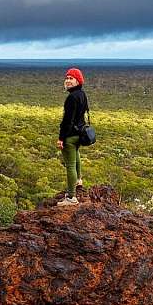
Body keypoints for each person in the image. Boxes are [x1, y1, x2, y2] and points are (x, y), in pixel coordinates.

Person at [56, 67, 88, 206]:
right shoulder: (82, 94)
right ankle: (79, 180)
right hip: (80, 134)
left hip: (70, 136)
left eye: (71, 78)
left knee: (70, 165)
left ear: (78, 81)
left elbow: (67, 121)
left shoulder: (71, 98)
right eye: (67, 78)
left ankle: (71, 197)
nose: (68, 80)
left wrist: (61, 138)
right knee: (76, 155)